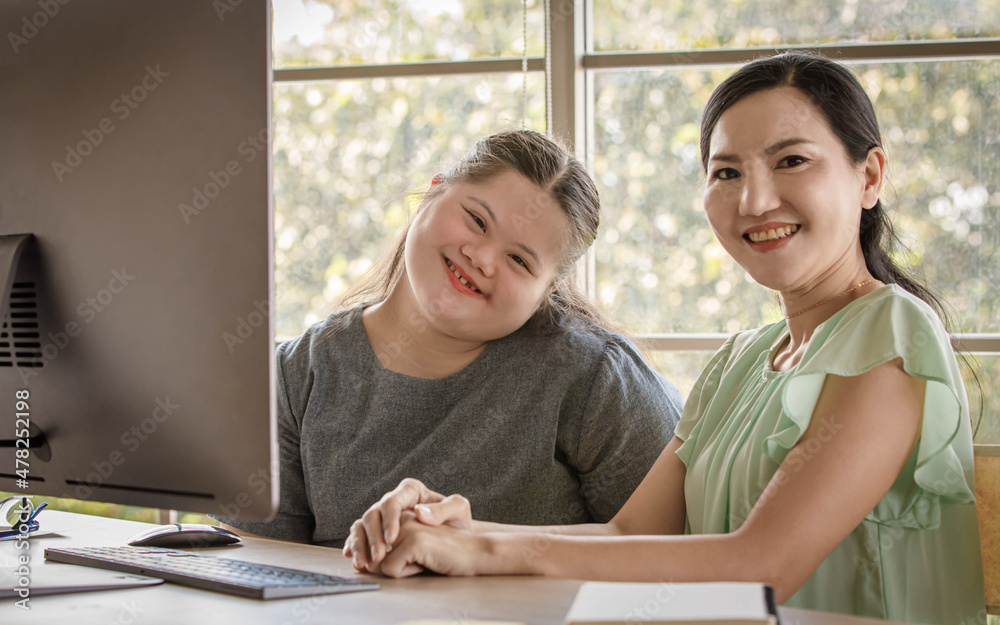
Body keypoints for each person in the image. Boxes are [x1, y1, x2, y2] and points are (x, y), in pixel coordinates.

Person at [343, 55, 986, 625]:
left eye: (791, 161)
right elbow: (626, 532)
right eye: (726, 172)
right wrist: (455, 528)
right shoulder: (739, 362)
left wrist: (483, 551)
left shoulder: (891, 331)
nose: (755, 200)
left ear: (869, 176)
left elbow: (761, 566)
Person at [216, 130, 684, 548]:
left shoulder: (596, 380)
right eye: (477, 221)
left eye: (519, 261)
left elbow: (676, 551)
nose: (482, 258)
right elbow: (258, 568)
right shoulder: (295, 376)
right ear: (433, 192)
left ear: (549, 290)